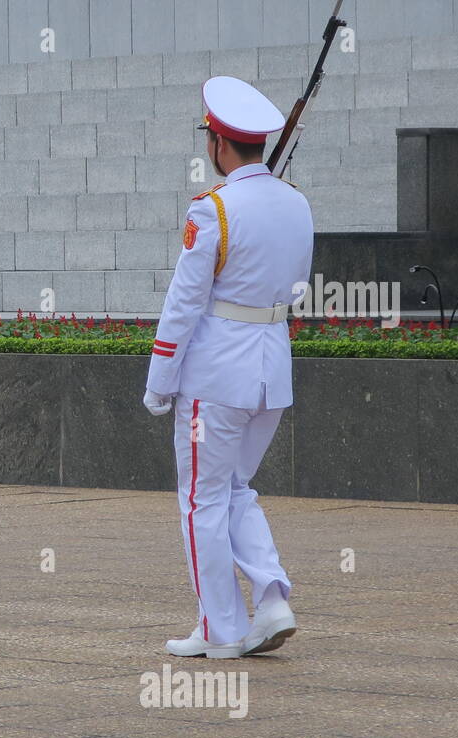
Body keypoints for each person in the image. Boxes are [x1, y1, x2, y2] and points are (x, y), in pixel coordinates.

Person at [143, 76, 314, 659]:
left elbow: (183, 304)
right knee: (235, 489)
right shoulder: (296, 204)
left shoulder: (212, 209)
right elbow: (295, 288)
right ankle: (271, 600)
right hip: (271, 372)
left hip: (216, 380)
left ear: (219, 143)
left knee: (202, 501)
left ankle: (221, 629)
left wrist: (160, 379)